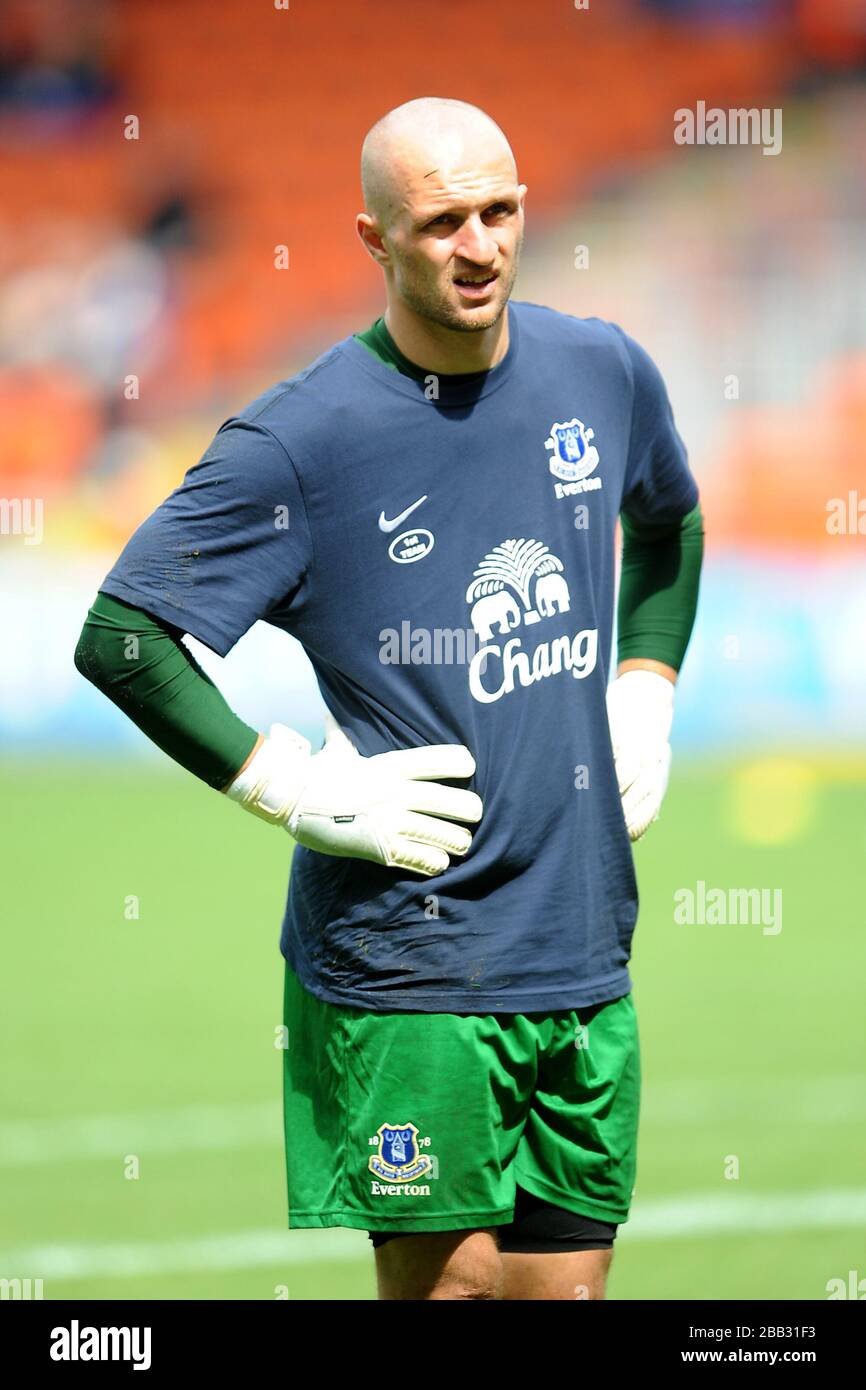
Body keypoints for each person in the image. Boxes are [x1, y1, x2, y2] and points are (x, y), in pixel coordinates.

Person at [75, 96, 703, 1300]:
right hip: (408, 952)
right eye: (440, 223)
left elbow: (667, 521)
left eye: (499, 211)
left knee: (561, 1297)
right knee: (450, 1294)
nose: (479, 246)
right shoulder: (300, 440)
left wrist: (645, 686)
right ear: (372, 238)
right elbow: (123, 633)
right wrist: (290, 784)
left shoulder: (601, 368)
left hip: (576, 936)